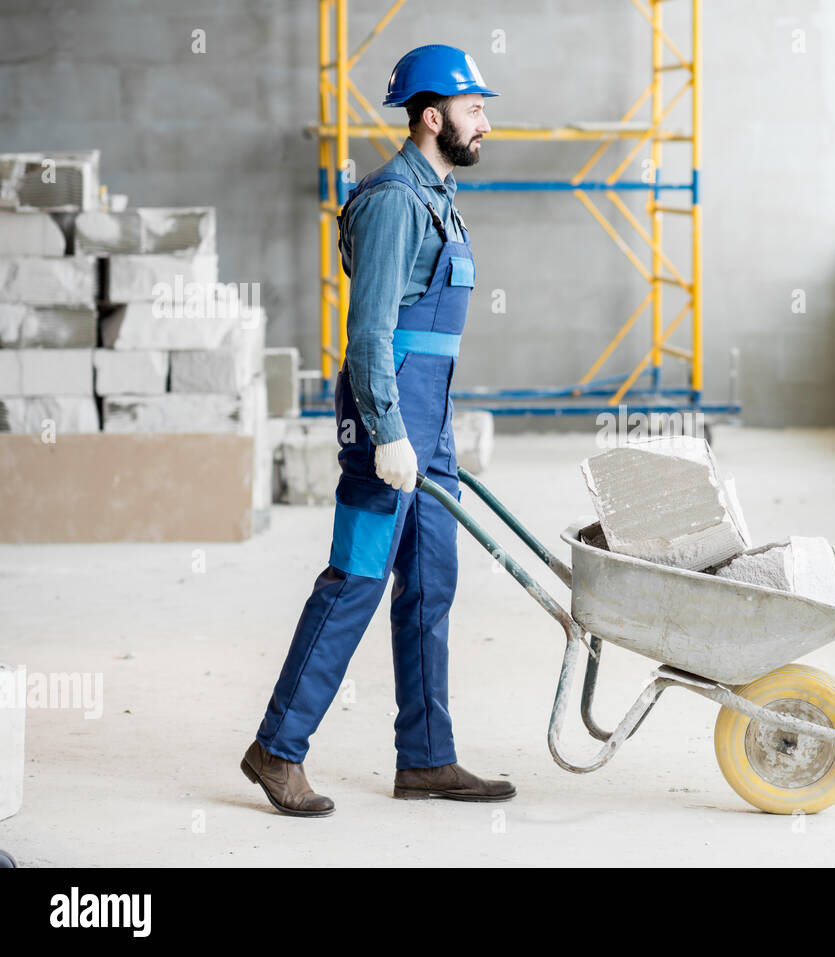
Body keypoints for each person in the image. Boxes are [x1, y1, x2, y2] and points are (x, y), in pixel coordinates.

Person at [241, 44, 514, 816]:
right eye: (473, 109)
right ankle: (276, 748)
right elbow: (369, 334)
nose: (485, 122)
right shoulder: (395, 198)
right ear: (432, 116)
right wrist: (388, 429)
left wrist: (423, 430)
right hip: (385, 416)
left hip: (429, 421)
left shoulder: (440, 192)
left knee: (431, 583)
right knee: (357, 577)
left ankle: (426, 757)